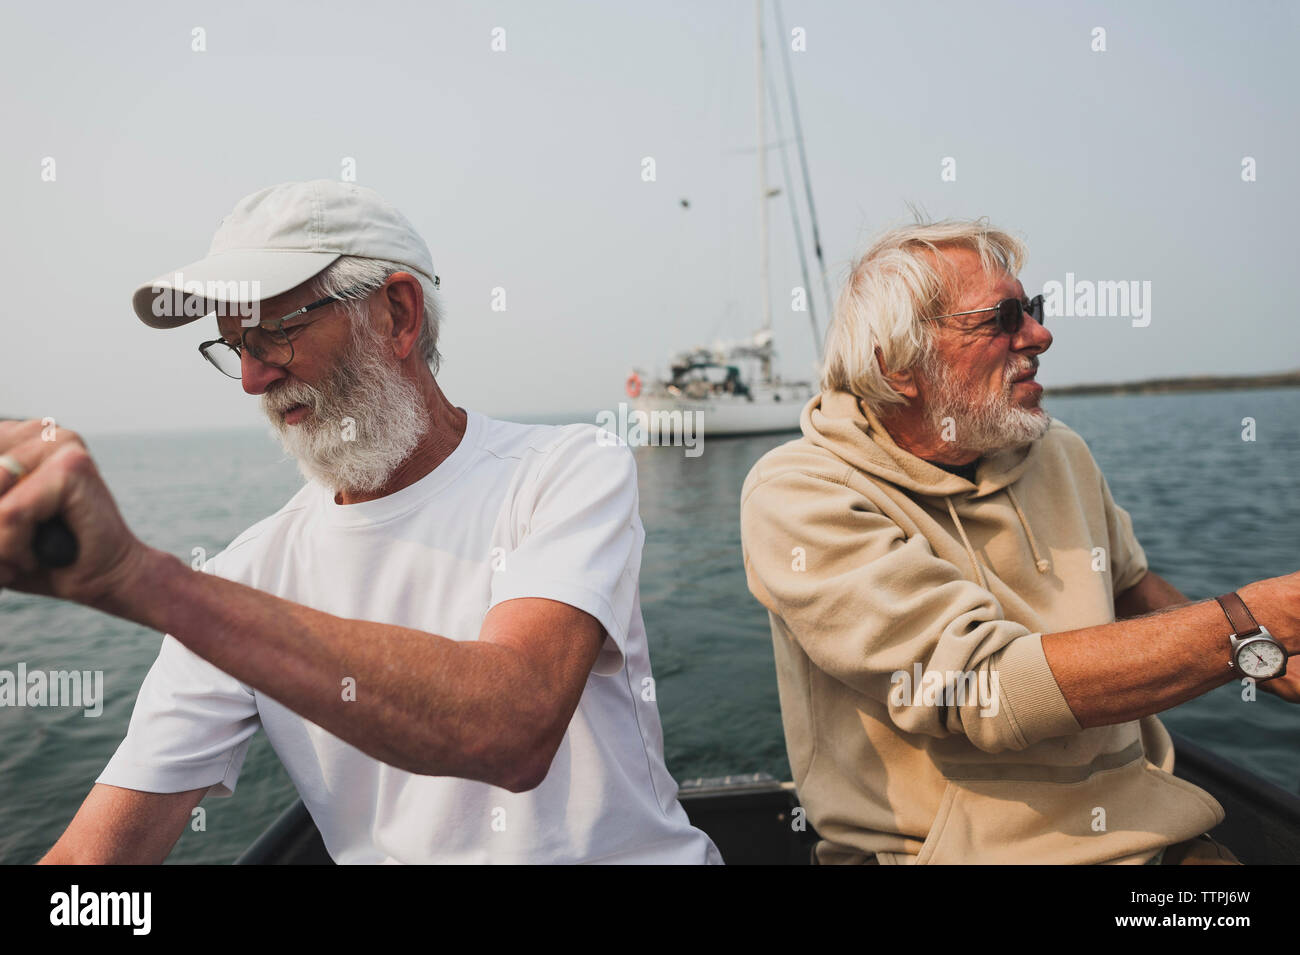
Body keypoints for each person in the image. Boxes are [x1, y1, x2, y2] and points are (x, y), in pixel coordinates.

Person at [2, 179, 721, 864]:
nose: (253, 379)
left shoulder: (565, 469)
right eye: (235, 347)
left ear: (398, 315)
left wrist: (141, 581)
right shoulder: (243, 579)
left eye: (272, 335)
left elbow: (514, 727)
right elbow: (91, 857)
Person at [738, 219, 1299, 865]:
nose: (1039, 334)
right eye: (1003, 317)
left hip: (1144, 832)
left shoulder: (1059, 450)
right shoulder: (800, 493)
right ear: (898, 366)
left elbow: (1132, 592)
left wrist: (1277, 656)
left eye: (1031, 309)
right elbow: (983, 690)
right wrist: (1250, 624)